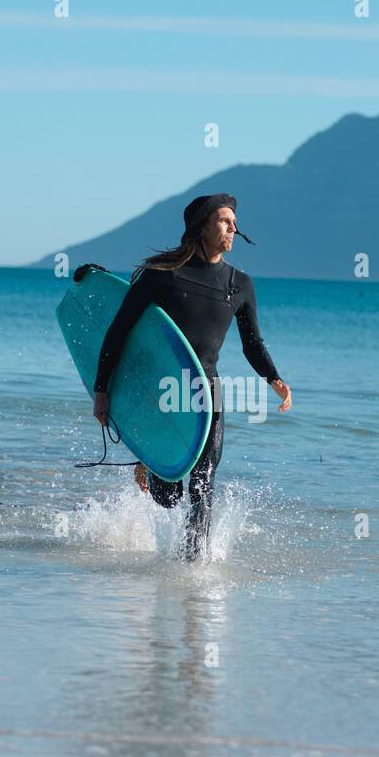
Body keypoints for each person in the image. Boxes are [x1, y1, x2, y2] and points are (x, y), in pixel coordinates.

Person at [89, 194, 291, 560]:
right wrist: (102, 389)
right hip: (163, 392)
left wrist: (273, 378)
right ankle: (151, 467)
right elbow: (119, 331)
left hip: (207, 393)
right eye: (225, 220)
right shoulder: (162, 276)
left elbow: (252, 343)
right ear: (201, 226)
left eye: (234, 221)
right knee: (168, 496)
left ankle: (191, 568)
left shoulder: (239, 284)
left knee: (203, 483)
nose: (234, 228)